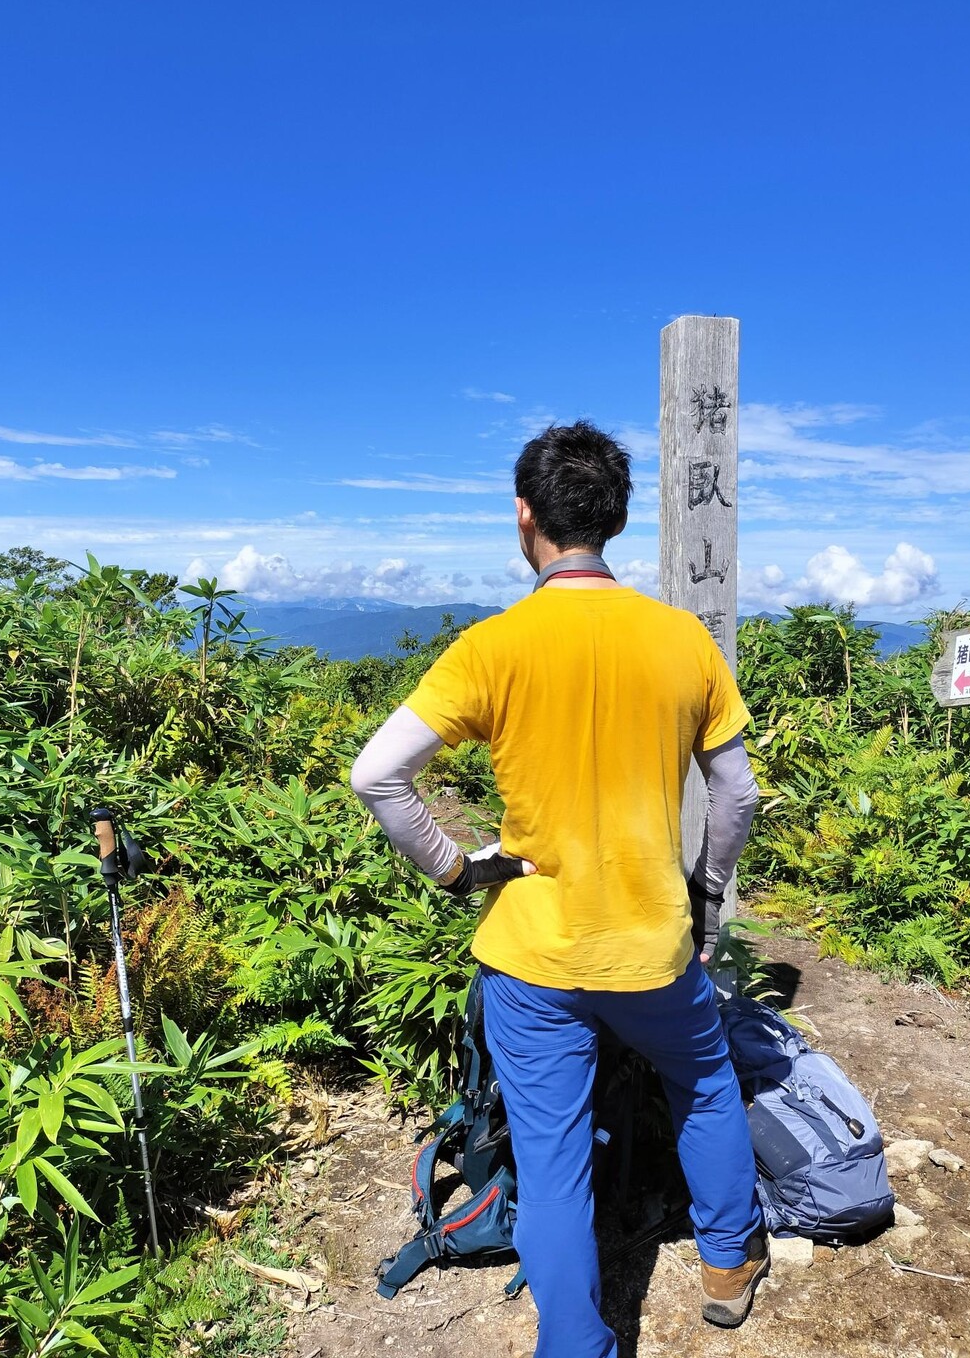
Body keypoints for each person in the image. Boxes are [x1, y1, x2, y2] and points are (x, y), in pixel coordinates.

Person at [351, 420, 766, 1357]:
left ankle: (577, 1344)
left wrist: (458, 868)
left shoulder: (493, 645)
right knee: (704, 1085)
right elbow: (736, 793)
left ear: (524, 516)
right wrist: (707, 894)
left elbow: (377, 775)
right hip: (653, 944)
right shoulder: (683, 641)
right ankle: (726, 1265)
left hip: (532, 954)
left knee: (551, 1161)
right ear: (614, 518)